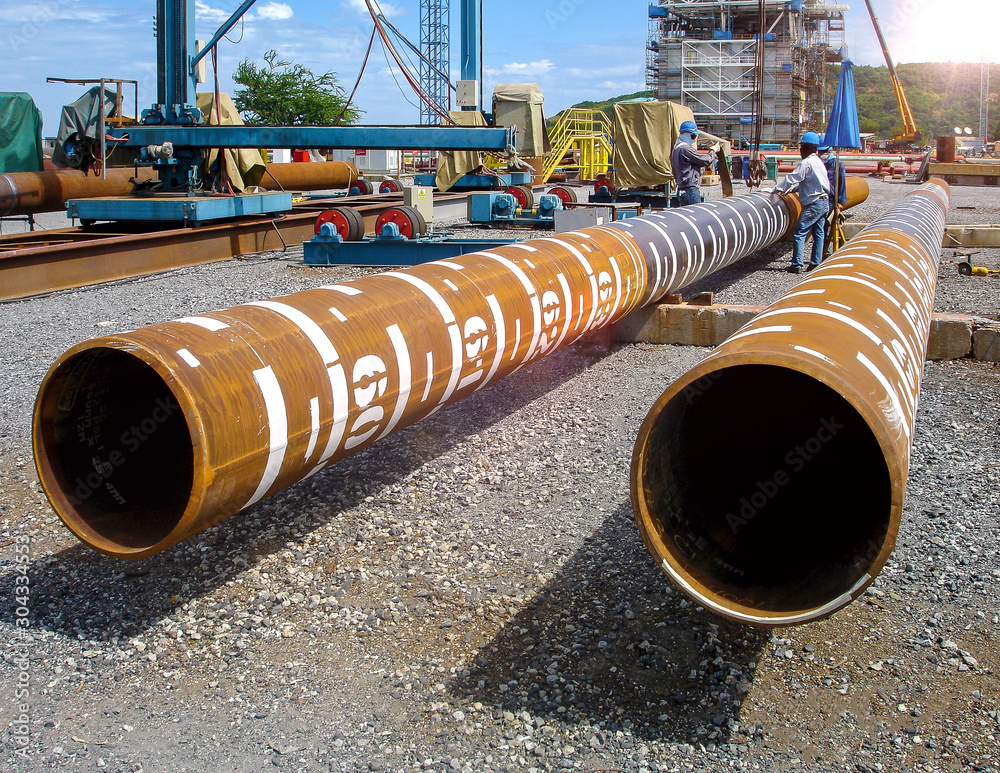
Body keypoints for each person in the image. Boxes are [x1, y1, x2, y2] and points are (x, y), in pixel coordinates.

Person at [772, 131, 831, 273]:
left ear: (806, 147)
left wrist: (776, 190)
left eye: (801, 147)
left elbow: (792, 178)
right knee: (818, 233)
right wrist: (792, 190)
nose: (800, 150)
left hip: (814, 203)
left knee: (799, 232)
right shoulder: (818, 162)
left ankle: (796, 264)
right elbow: (811, 182)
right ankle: (815, 263)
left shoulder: (807, 162)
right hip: (823, 202)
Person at [671, 120, 717, 206]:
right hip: (690, 190)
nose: (694, 139)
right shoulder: (685, 149)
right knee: (696, 216)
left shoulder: (676, 149)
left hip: (682, 189)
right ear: (687, 135)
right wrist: (713, 151)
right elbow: (705, 160)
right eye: (693, 136)